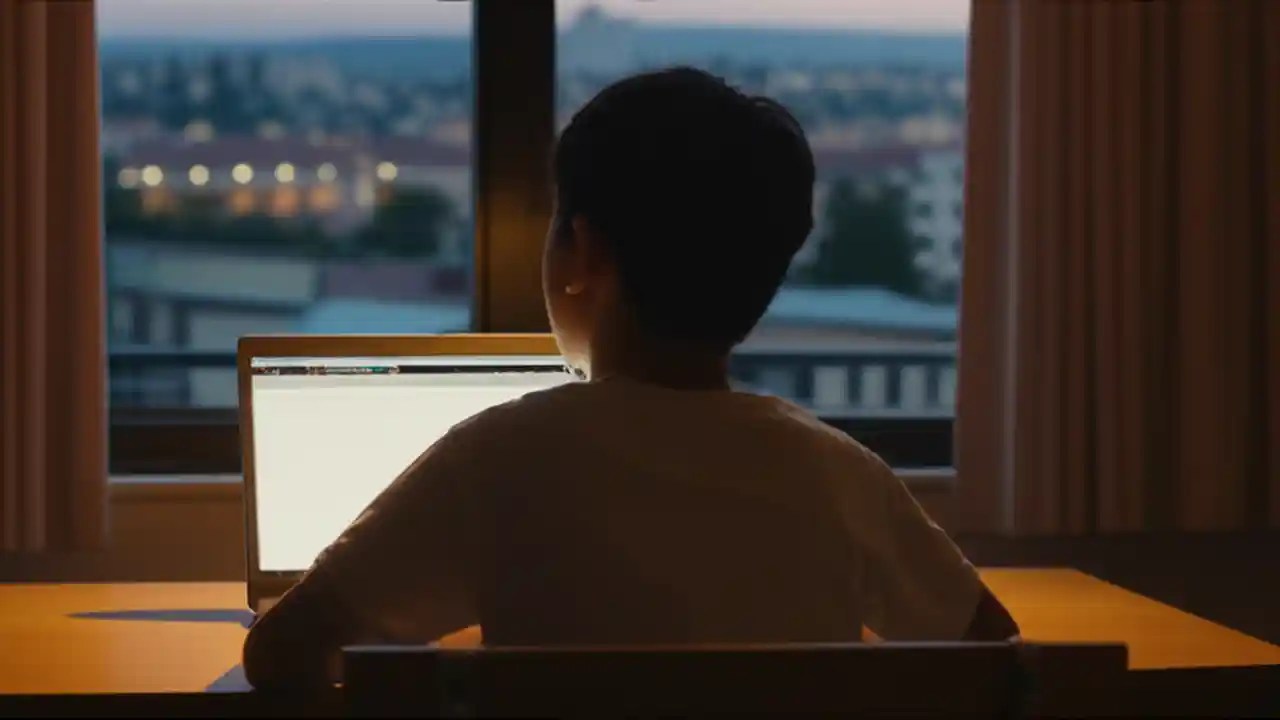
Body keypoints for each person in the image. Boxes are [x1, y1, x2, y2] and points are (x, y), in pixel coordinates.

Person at [242, 67, 1018, 690]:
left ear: (583, 252)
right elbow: (998, 656)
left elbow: (283, 654)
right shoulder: (842, 475)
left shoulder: (496, 460)